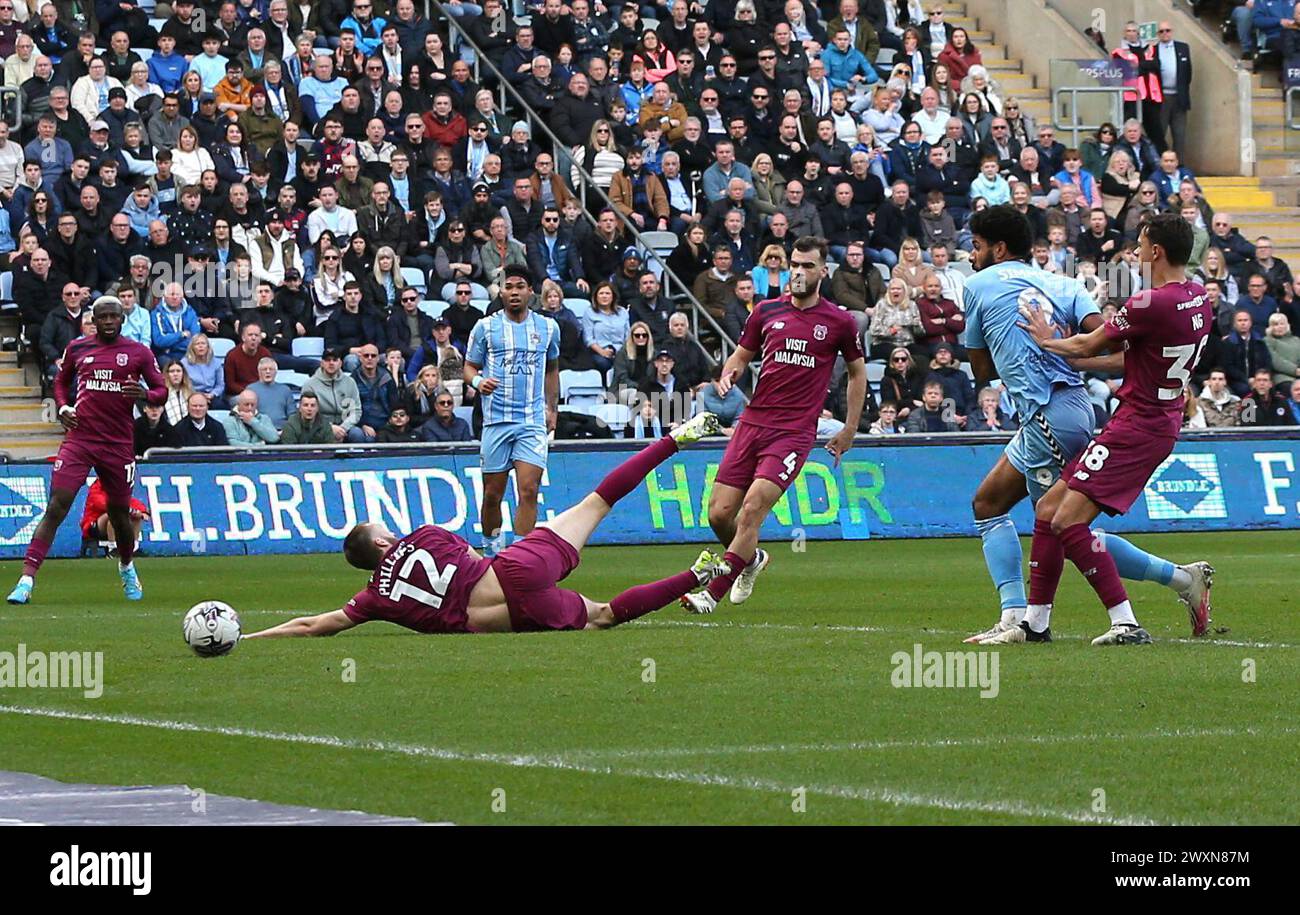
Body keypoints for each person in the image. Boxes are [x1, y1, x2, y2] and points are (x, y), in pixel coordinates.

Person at [244, 412, 730, 638]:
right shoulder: (424, 535)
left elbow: (316, 626)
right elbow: (475, 559)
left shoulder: (374, 599)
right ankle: (674, 440)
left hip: (503, 619)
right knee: (598, 501)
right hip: (513, 568)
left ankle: (700, 574)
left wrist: (251, 639)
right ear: (384, 539)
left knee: (604, 615)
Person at [962, 206, 1211, 645]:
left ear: (1155, 250)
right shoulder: (1196, 298)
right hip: (1149, 417)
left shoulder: (1149, 302)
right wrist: (1073, 355)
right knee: (1045, 513)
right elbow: (1121, 354)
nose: (1133, 253)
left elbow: (1088, 342)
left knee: (1069, 525)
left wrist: (1045, 340)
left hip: (1129, 423)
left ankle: (1126, 620)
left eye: (1139, 246)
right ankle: (1033, 623)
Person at [681, 236, 867, 614]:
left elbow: (857, 374)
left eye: (807, 266)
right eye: (794, 265)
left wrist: (849, 428)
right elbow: (741, 355)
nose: (798, 272)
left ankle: (713, 592)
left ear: (823, 271)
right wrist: (728, 374)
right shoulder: (765, 311)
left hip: (793, 433)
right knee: (718, 514)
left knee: (752, 509)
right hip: (753, 423)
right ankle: (750, 560)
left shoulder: (840, 322)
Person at [8, 297, 166, 606]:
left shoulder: (138, 352)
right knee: (57, 505)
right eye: (102, 316)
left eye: (113, 316)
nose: (108, 321)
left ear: (122, 319)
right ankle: (26, 579)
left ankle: (126, 566)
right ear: (93, 319)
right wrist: (64, 406)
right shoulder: (78, 348)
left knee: (120, 514)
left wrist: (146, 394)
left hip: (118, 444)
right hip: (80, 439)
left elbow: (161, 390)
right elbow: (60, 381)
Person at [463, 265, 560, 556]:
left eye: (520, 286)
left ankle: (519, 557)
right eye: (509, 286)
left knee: (529, 490)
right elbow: (468, 367)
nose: (514, 292)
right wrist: (479, 382)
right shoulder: (486, 327)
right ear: (501, 291)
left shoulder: (548, 328)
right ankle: (491, 552)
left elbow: (552, 369)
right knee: (492, 494)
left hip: (531, 422)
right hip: (496, 422)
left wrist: (552, 409)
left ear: (531, 291)